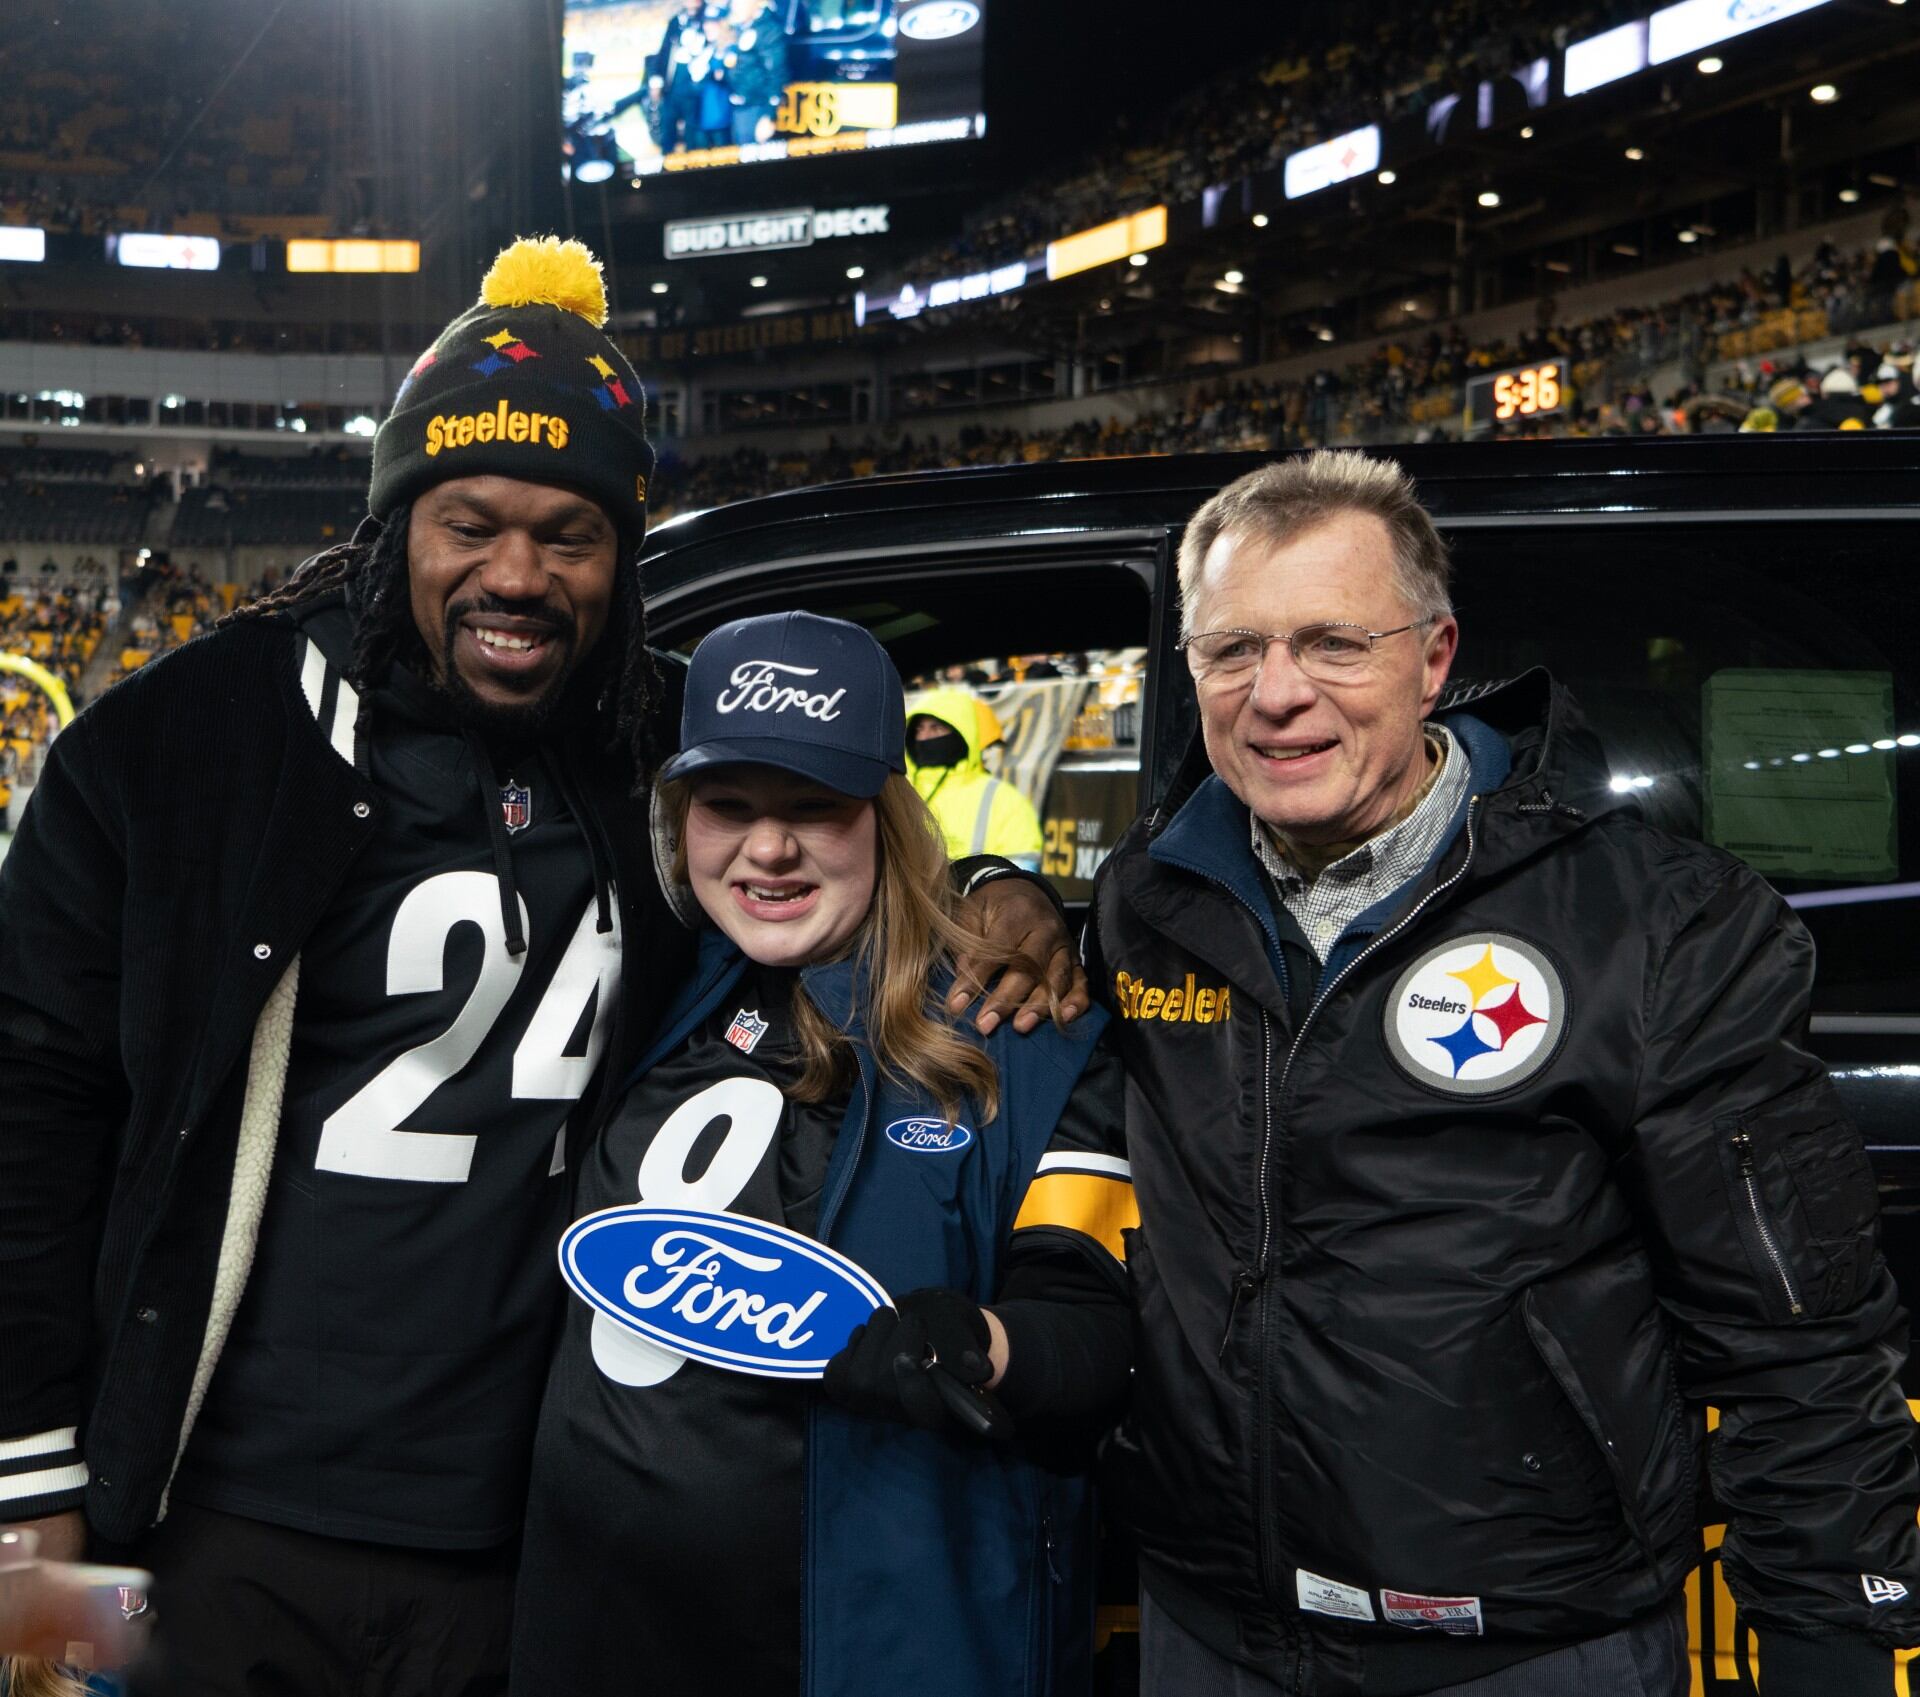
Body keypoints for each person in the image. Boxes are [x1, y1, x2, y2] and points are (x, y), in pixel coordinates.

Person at [0, 238, 1078, 1696]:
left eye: (570, 534)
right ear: (394, 527)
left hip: (531, 1537)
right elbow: (30, 1111)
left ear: (625, 554)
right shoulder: (180, 744)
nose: (519, 574)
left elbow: (838, 835)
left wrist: (1011, 893)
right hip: (217, 1522)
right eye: (470, 522)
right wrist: (28, 1478)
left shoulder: (665, 752)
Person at [1090, 450, 1920, 1696]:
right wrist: (995, 901)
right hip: (1213, 1628)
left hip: (1525, 1645)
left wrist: (1829, 1637)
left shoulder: (1649, 926)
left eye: (1333, 642)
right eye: (1230, 649)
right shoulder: (1144, 905)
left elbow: (1798, 1334)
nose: (1276, 694)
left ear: (1432, 659)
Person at [512, 612, 1133, 1697]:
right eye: (730, 806)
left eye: (814, 806)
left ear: (886, 816)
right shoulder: (639, 983)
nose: (768, 846)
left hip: (867, 1647)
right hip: (597, 1639)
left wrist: (978, 1342)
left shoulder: (1028, 1034)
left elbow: (1097, 1338)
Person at [906, 685, 1045, 870]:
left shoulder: (1004, 799)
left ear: (961, 733)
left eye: (936, 728)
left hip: (979, 899)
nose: (924, 736)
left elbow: (1022, 878)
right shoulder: (902, 792)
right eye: (919, 729)